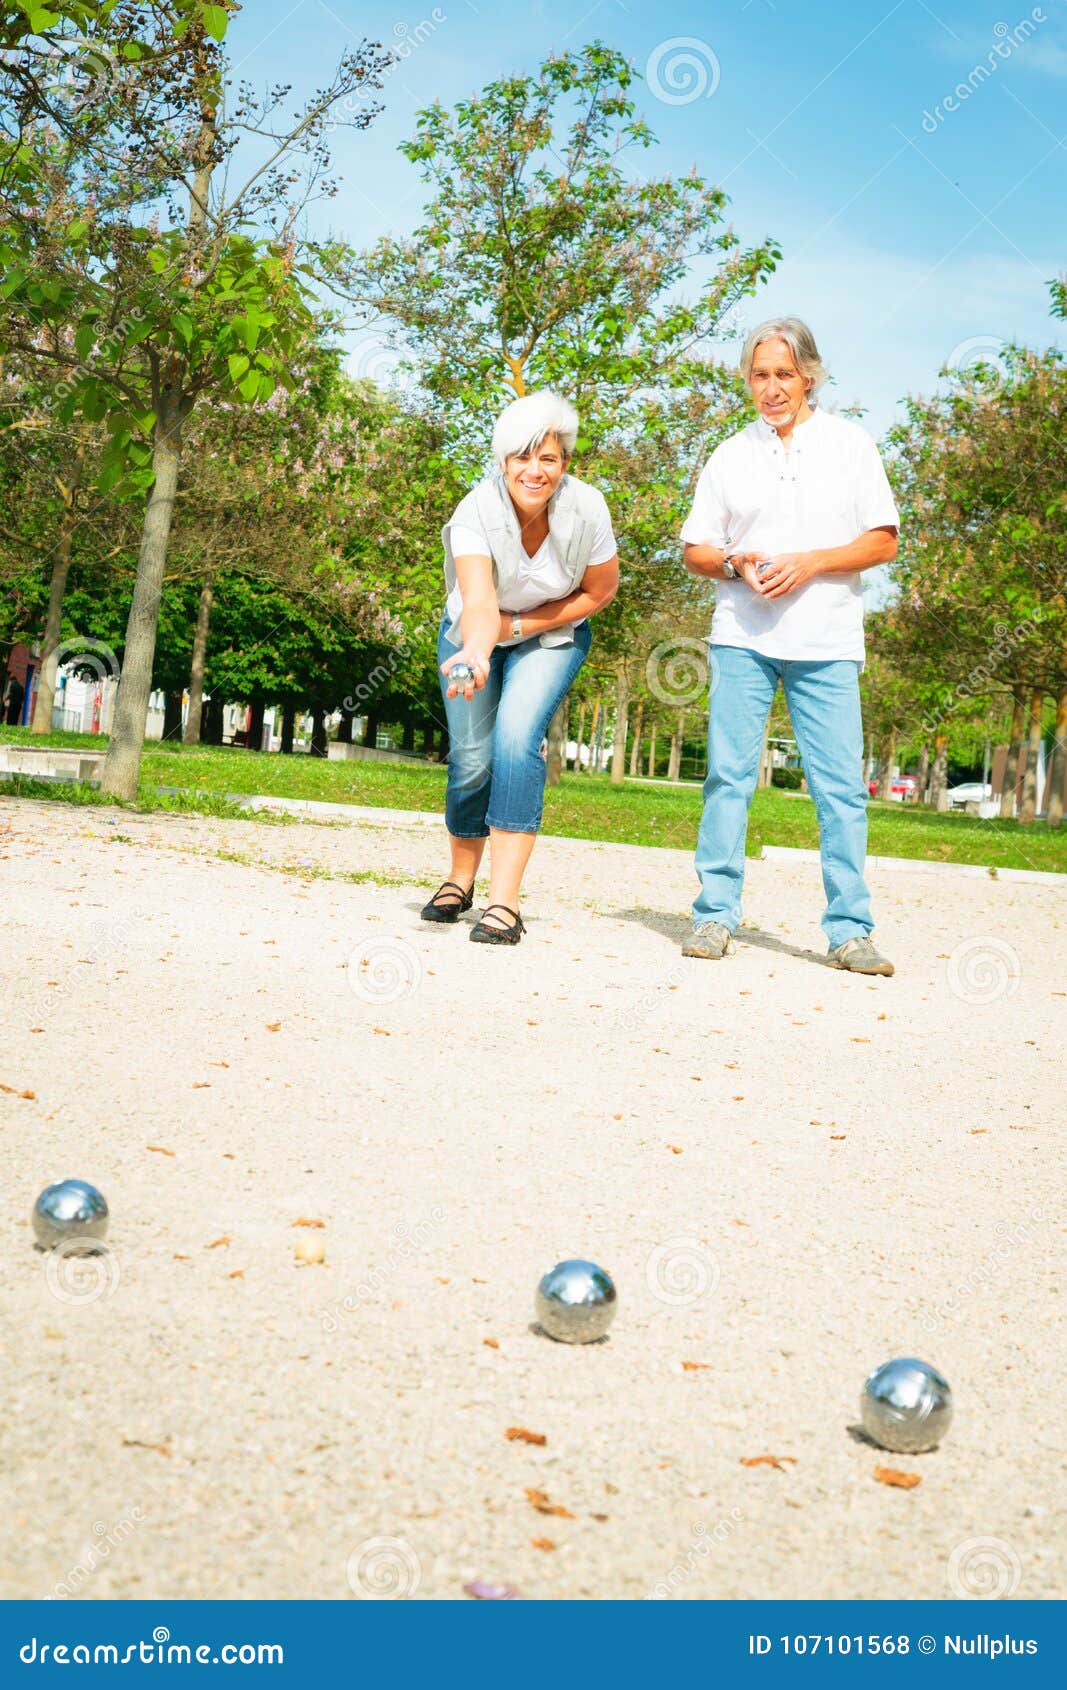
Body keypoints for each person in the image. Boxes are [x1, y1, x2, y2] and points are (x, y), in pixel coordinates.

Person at [680, 318, 900, 976]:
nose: (770, 387)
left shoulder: (850, 444)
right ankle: (713, 914)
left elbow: (882, 541)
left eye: (783, 374)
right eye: (758, 374)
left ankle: (849, 930)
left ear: (808, 375)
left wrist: (810, 563)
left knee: (839, 792)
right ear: (745, 379)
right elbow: (695, 549)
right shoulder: (729, 454)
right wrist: (731, 564)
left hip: (826, 640)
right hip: (742, 639)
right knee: (727, 779)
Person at [423, 391, 619, 945]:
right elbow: (481, 603)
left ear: (565, 462)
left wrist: (524, 627)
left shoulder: (589, 510)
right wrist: (480, 650)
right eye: (522, 459)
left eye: (549, 459)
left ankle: (503, 904)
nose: (535, 471)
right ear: (503, 460)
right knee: (470, 755)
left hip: (553, 634)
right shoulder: (474, 512)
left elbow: (601, 590)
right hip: (472, 636)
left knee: (514, 740)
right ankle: (460, 880)